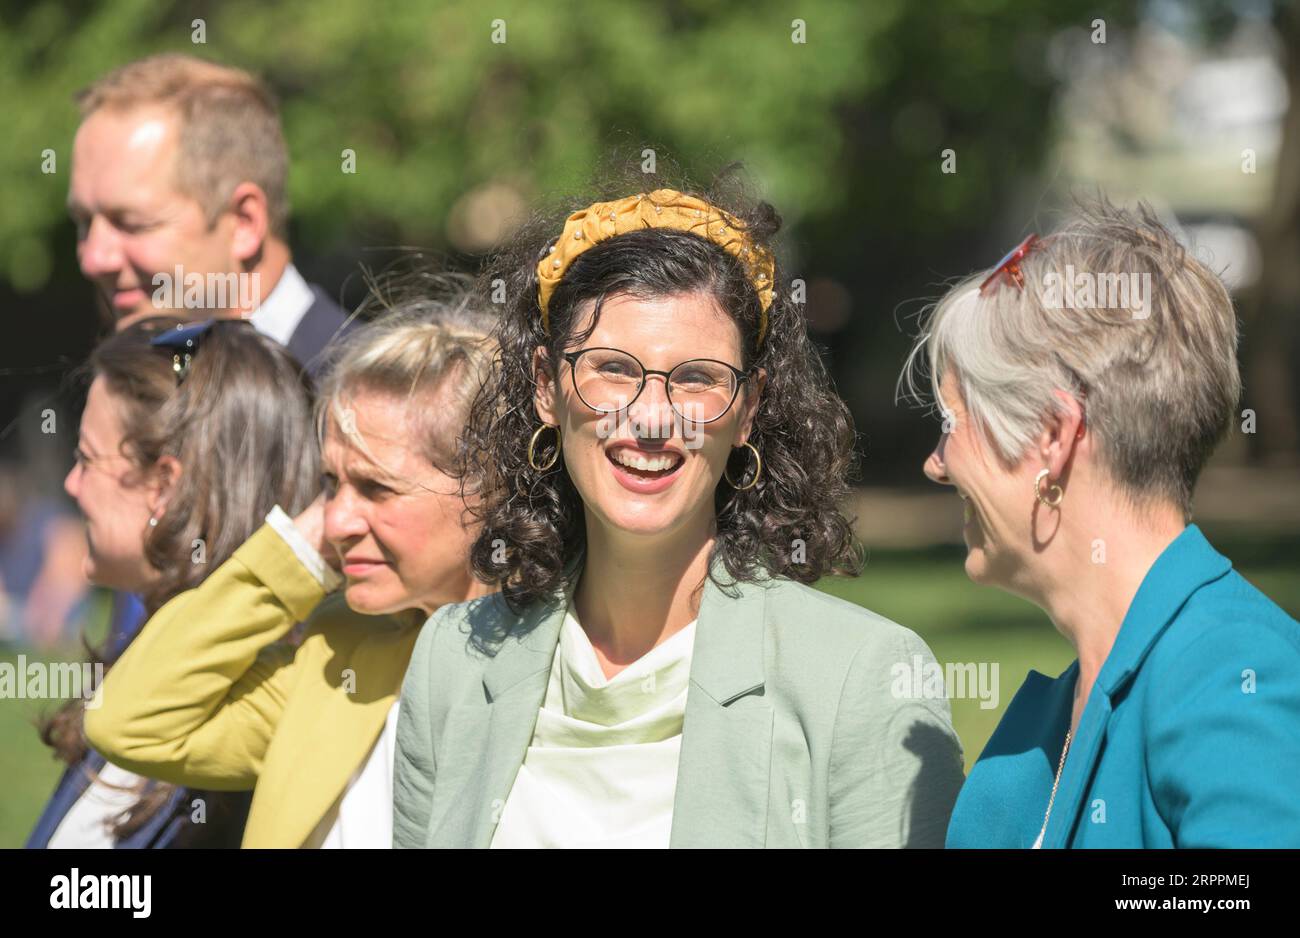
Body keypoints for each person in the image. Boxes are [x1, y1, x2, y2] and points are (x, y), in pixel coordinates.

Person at [394, 171, 966, 849]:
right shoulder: (452, 663)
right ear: (548, 387)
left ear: (749, 410)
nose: (653, 418)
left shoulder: (860, 677)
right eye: (612, 368)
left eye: (697, 378)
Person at [900, 197, 1300, 848]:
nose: (935, 464)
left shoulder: (1232, 671)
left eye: (952, 423)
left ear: (1052, 437)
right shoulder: (1059, 714)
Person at [83, 275, 499, 847]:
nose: (337, 520)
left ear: (492, 489)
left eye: (377, 488)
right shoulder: (339, 657)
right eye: (331, 483)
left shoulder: (561, 660)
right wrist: (300, 553)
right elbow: (129, 721)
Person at [28, 318, 319, 848]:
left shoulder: (249, 716)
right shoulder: (152, 651)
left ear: (164, 485)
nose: (71, 484)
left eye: (86, 460)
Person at [68, 53, 351, 373]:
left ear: (245, 223)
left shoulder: (364, 403)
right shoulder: (135, 394)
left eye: (132, 224)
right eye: (84, 223)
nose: (93, 259)